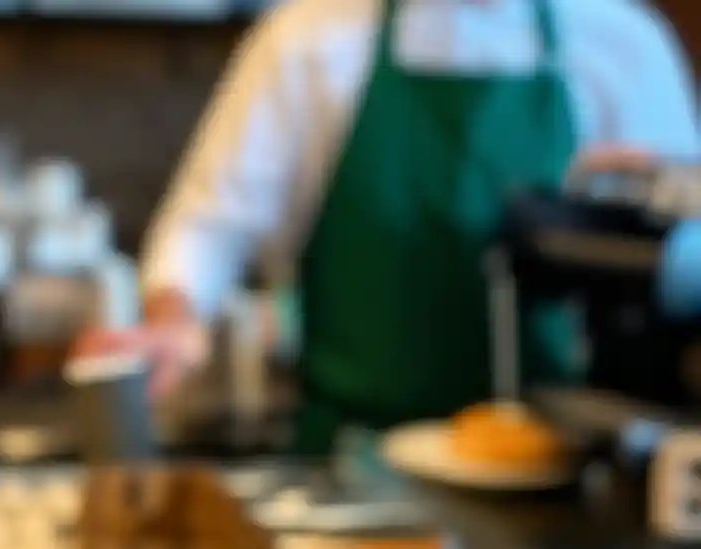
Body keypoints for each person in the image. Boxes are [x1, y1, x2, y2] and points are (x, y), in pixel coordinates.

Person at [77, 0, 701, 453]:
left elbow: (684, 245)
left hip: (568, 461)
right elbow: (209, 223)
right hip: (353, 461)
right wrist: (172, 319)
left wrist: (657, 197)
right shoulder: (310, 38)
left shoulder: (623, 43)